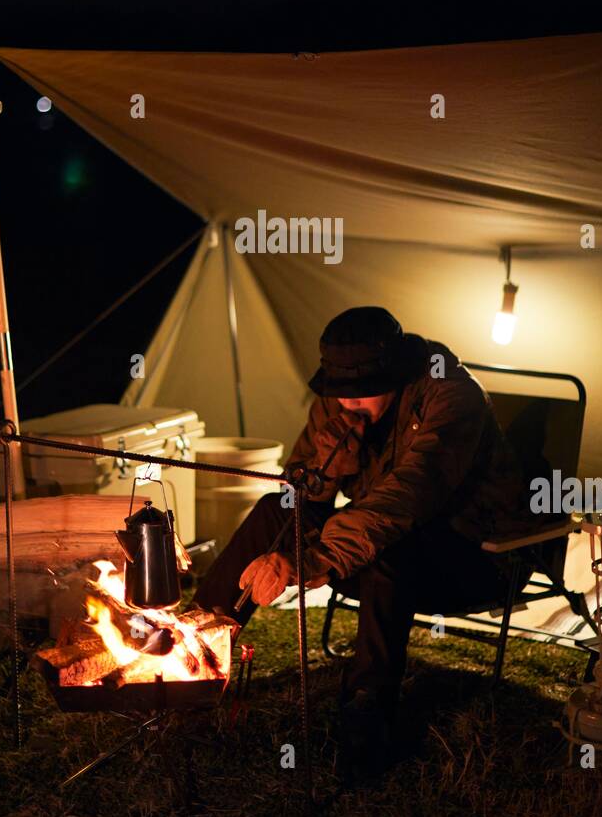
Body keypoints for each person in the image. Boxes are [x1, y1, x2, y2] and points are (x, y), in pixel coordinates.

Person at [194, 306, 532, 776]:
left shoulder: (450, 397)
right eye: (340, 393)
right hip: (389, 546)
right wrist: (324, 470)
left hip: (478, 555)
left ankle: (367, 711)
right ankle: (195, 643)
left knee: (389, 548)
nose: (347, 403)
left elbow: (404, 500)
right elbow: (301, 490)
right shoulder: (340, 399)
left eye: (360, 393)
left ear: (395, 374)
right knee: (279, 509)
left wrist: (310, 561)